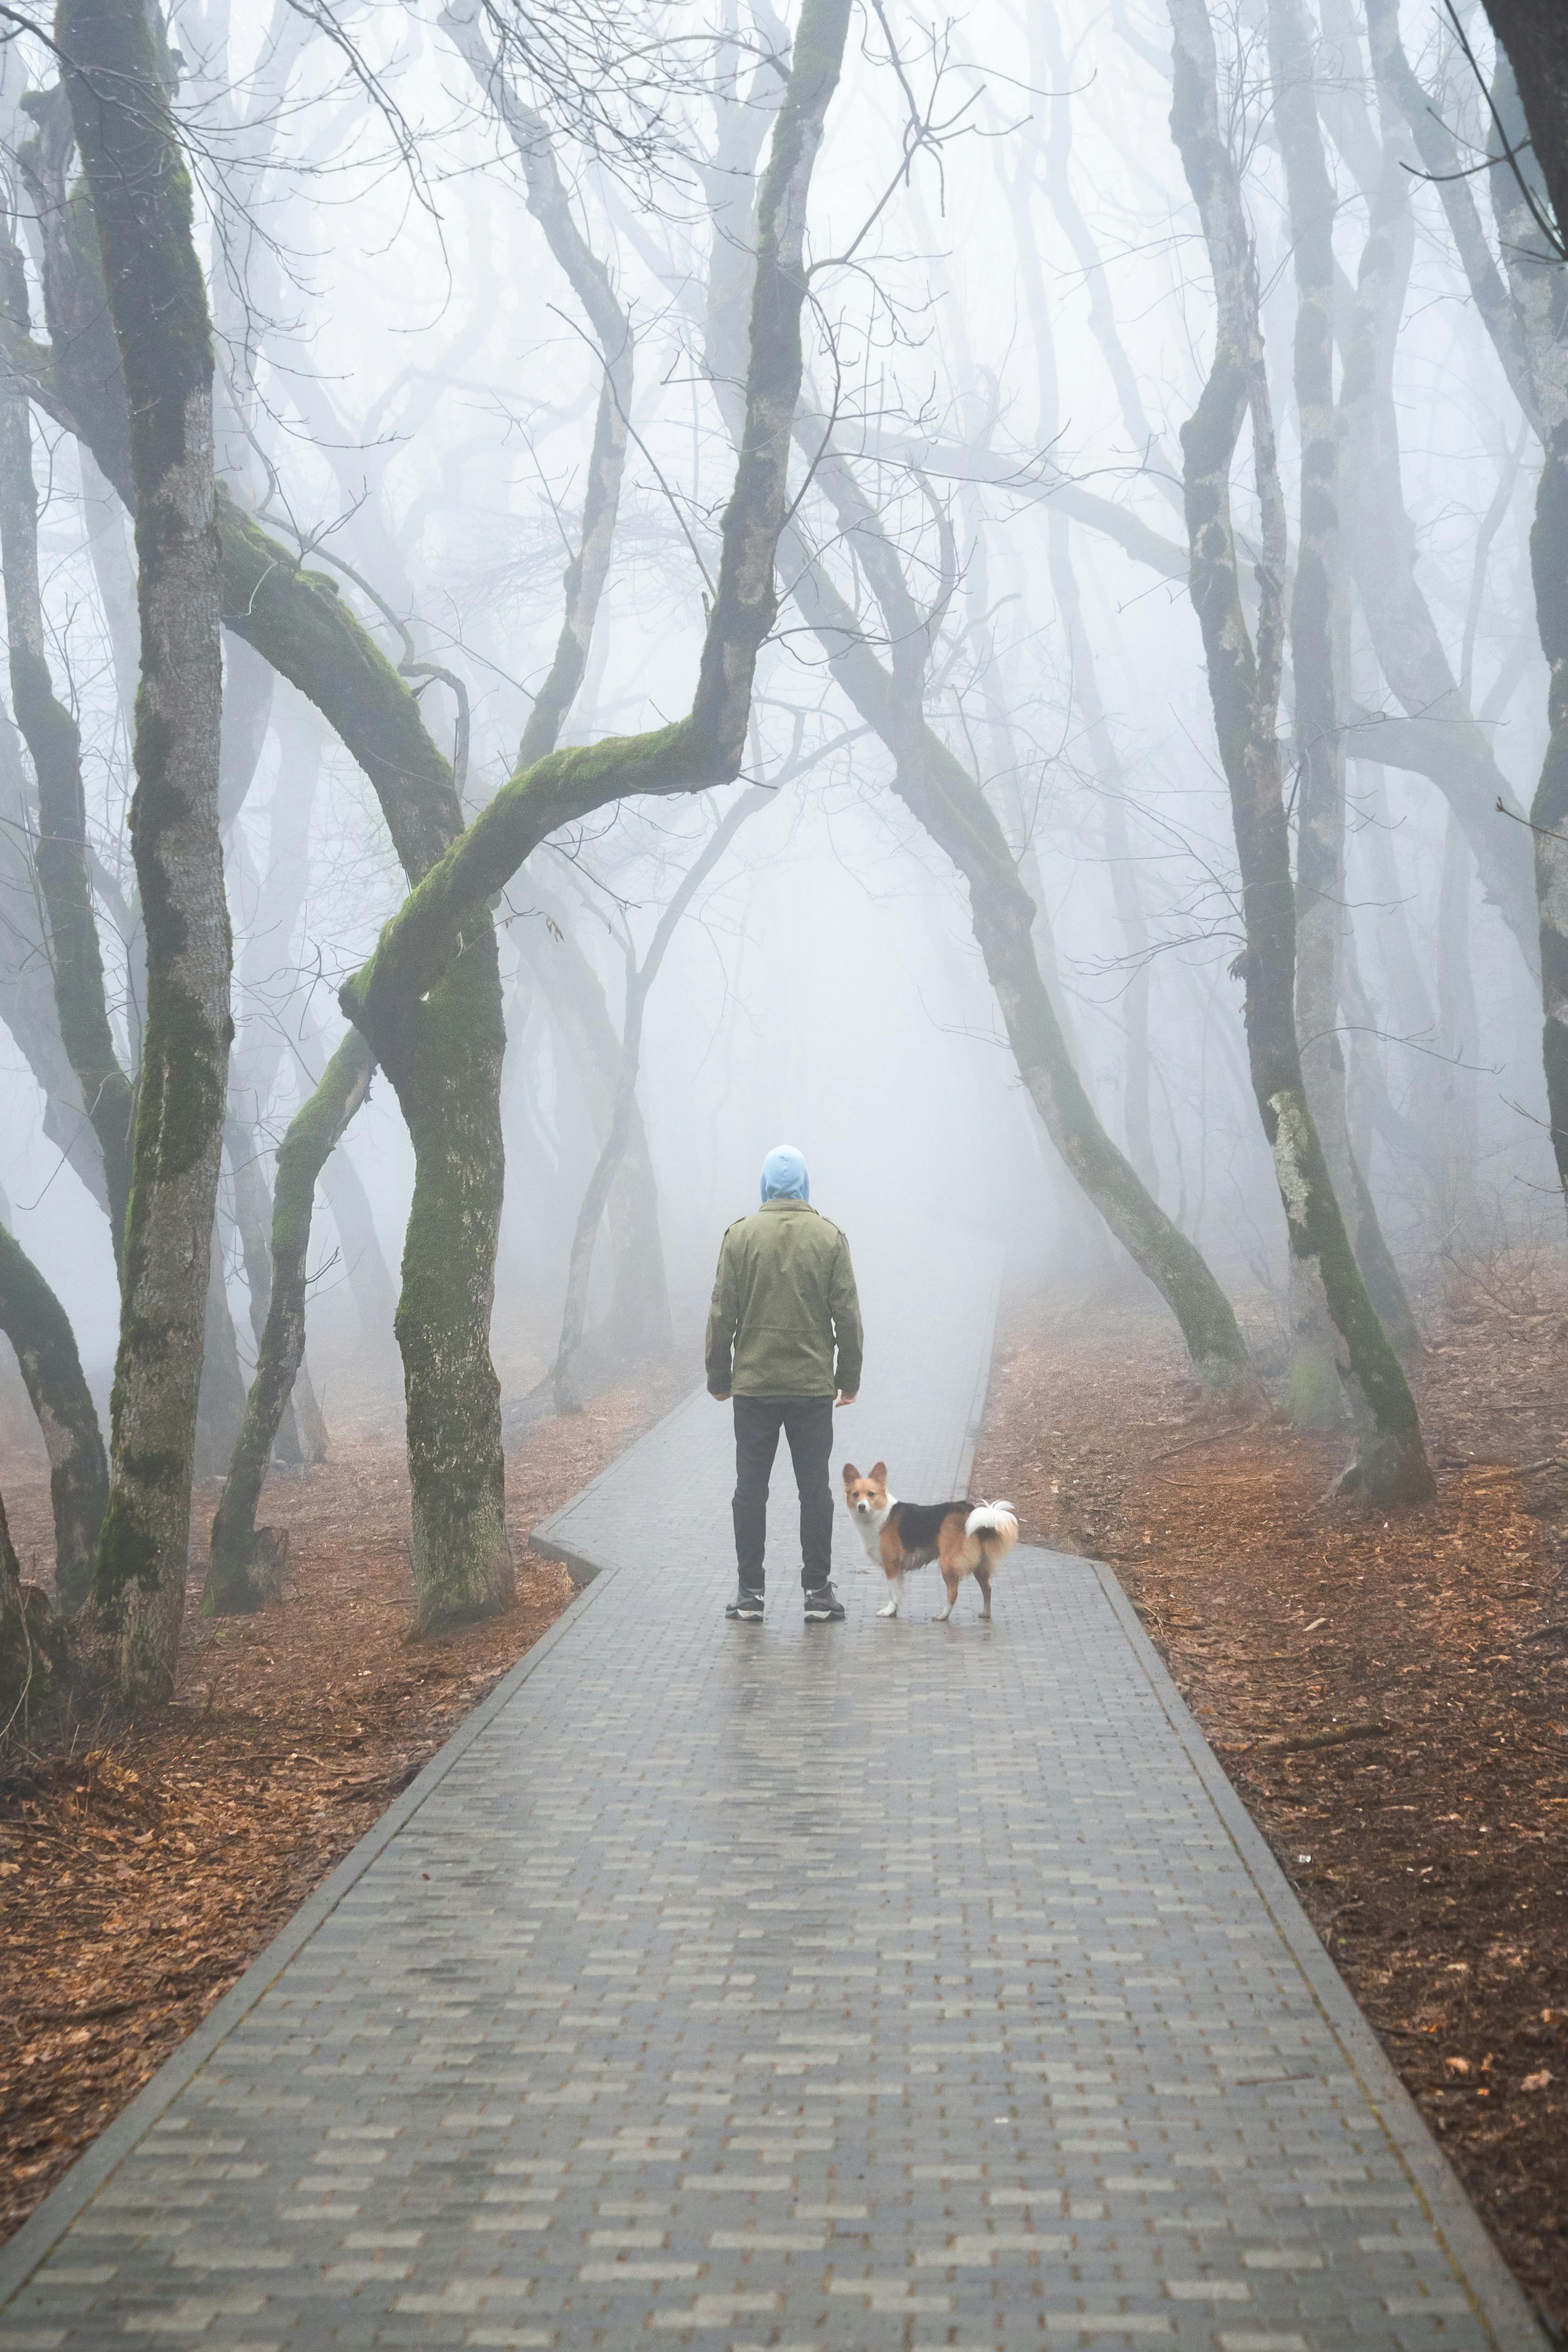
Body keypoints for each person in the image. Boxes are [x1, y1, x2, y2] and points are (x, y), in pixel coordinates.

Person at [705, 1145, 862, 1623]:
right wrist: (848, 1378)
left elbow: (721, 1314)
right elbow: (847, 1317)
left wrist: (719, 1376)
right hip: (811, 1389)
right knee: (814, 1490)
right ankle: (817, 1593)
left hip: (753, 1388)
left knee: (750, 1490)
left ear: (765, 1185)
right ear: (805, 1185)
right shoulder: (829, 1237)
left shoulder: (739, 1237)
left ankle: (750, 1593)